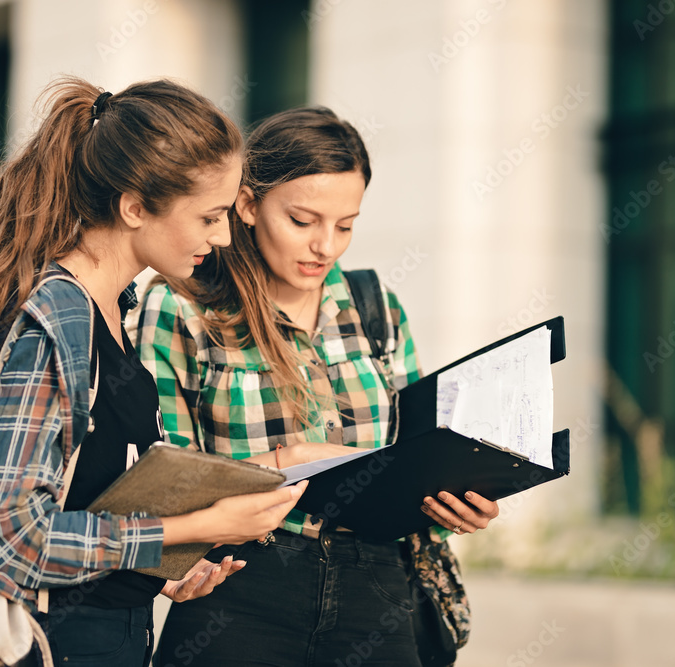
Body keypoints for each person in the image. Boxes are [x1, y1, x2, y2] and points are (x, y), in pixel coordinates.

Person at [0, 76, 307, 667]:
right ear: (135, 207)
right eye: (209, 216)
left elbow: (80, 505)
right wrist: (190, 526)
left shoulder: (114, 311)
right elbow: (11, 542)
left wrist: (156, 572)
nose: (223, 238)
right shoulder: (60, 322)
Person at [135, 107, 500, 666]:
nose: (325, 247)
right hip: (243, 589)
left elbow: (413, 453)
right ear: (249, 205)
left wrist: (449, 500)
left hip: (377, 587)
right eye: (303, 220)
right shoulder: (183, 307)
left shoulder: (376, 308)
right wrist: (291, 458)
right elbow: (164, 483)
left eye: (346, 225)